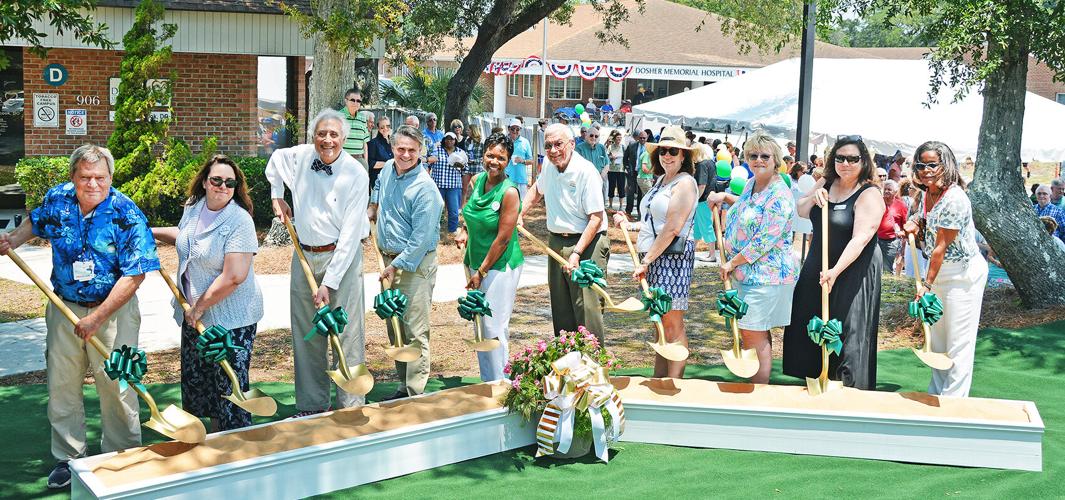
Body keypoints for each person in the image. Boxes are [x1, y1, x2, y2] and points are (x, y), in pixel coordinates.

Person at [0, 144, 159, 488]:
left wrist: (97, 318)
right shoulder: (58, 198)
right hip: (64, 307)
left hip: (113, 311)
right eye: (85, 177)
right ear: (73, 176)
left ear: (110, 177)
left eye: (100, 177)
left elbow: (136, 275)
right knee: (62, 384)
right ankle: (68, 458)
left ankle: (122, 457)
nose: (92, 184)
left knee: (117, 384)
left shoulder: (126, 213)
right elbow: (37, 221)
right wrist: (12, 239)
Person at [267, 109, 370, 417]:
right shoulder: (299, 157)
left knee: (346, 332)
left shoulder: (356, 174)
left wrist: (329, 283)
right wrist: (277, 195)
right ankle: (312, 405)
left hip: (343, 258)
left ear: (344, 138)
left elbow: (352, 236)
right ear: (313, 137)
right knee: (306, 332)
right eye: (321, 134)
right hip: (303, 256)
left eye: (334, 135)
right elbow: (274, 163)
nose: (327, 140)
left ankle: (350, 405)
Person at [151, 155, 262, 432]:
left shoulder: (240, 220)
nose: (222, 186)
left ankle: (235, 447)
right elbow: (185, 236)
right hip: (194, 314)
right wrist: (149, 232)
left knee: (228, 388)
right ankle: (213, 441)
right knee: (201, 385)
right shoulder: (194, 206)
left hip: (230, 320)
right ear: (204, 181)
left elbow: (234, 276)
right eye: (216, 180)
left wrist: (199, 308)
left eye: (230, 182)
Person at [783, 135, 886, 390]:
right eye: (840, 158)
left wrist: (835, 272)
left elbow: (861, 238)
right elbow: (801, 209)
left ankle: (847, 387)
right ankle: (814, 380)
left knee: (846, 330)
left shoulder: (869, 193)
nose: (846, 163)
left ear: (863, 162)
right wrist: (813, 197)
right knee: (809, 321)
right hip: (818, 263)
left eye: (853, 159)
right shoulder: (826, 181)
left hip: (852, 268)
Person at [706, 131, 798, 384]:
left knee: (753, 333)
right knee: (754, 332)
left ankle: (759, 392)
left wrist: (731, 262)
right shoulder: (751, 184)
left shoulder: (780, 194)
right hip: (746, 274)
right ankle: (757, 387)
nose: (758, 160)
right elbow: (750, 210)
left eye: (764, 156)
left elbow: (763, 240)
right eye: (753, 155)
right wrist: (725, 197)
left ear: (776, 159)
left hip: (766, 277)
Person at [902, 141, 988, 397]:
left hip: (963, 276)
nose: (926, 170)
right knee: (937, 340)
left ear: (945, 164)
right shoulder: (928, 192)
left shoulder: (955, 199)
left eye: (932, 164)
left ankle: (953, 403)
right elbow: (925, 215)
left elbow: (940, 248)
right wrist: (915, 221)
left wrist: (925, 286)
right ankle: (936, 394)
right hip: (939, 273)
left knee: (958, 342)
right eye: (921, 165)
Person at [613, 126, 698, 378]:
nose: (667, 156)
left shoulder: (685, 183)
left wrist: (647, 260)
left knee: (672, 325)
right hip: (653, 258)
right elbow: (654, 222)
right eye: (663, 151)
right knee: (659, 324)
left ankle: (674, 383)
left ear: (684, 155)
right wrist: (630, 224)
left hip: (672, 260)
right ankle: (659, 380)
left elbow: (673, 228)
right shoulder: (662, 181)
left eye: (674, 151)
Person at [369, 125, 444, 399]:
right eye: (401, 148)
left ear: (420, 151)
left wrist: (393, 266)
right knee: (395, 326)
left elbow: (420, 241)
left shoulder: (426, 190)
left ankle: (414, 392)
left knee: (414, 330)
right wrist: (372, 206)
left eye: (412, 150)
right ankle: (402, 386)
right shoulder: (388, 168)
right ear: (392, 147)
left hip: (414, 266)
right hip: (387, 262)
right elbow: (378, 186)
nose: (405, 154)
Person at [519, 124, 610, 341]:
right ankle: (568, 364)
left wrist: (577, 253)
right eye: (548, 145)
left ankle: (593, 366)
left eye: (558, 144)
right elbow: (536, 190)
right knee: (561, 308)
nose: (553, 150)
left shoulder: (586, 171)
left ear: (571, 144)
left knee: (587, 308)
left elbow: (596, 218)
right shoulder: (549, 166)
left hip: (588, 242)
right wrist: (520, 213)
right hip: (557, 241)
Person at [454, 132, 524, 381]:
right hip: (474, 261)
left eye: (501, 158)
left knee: (494, 327)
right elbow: (469, 212)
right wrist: (463, 230)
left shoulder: (510, 192)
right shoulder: (476, 181)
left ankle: (502, 384)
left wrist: (481, 272)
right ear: (483, 155)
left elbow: (503, 239)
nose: (494, 161)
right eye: (490, 155)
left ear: (509, 161)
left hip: (498, 266)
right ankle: (488, 382)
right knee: (480, 325)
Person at [427, 132, 464, 233]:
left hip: (454, 185)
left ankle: (452, 230)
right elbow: (429, 165)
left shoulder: (460, 152)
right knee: (435, 208)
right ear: (444, 140)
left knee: (454, 210)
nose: (449, 141)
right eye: (447, 139)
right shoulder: (437, 150)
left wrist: (461, 166)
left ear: (455, 140)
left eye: (452, 139)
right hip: (438, 184)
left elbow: (465, 168)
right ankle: (433, 229)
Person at [692, 145, 718, 262]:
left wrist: (695, 199)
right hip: (708, 198)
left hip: (703, 199)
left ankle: (712, 255)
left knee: (706, 226)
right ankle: (691, 251)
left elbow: (701, 185)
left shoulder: (702, 165)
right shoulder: (711, 163)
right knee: (698, 226)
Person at [877, 179, 908, 273]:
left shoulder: (901, 205)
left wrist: (901, 233)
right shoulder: (878, 202)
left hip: (891, 242)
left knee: (887, 268)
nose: (886, 191)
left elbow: (905, 225)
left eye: (889, 189)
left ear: (895, 192)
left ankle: (886, 286)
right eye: (885, 189)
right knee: (875, 266)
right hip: (876, 240)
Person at [575, 125, 610, 203]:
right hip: (585, 180)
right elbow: (576, 166)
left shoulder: (601, 147)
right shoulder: (579, 148)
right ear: (586, 135)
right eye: (591, 135)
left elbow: (607, 164)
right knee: (586, 202)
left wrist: (600, 177)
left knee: (600, 202)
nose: (594, 138)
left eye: (596, 136)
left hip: (601, 179)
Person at [340, 88, 370, 170]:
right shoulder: (338, 117)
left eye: (358, 101)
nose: (355, 103)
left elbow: (365, 143)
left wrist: (365, 161)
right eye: (352, 100)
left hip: (360, 161)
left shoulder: (362, 118)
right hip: (343, 160)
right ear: (346, 101)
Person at [505, 118, 533, 199]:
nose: (515, 131)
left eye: (517, 129)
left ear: (520, 130)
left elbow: (531, 161)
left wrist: (523, 161)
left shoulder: (525, 142)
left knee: (521, 205)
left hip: (521, 179)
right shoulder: (504, 141)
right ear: (508, 129)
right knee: (506, 204)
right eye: (512, 128)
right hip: (506, 178)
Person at [366, 115, 394, 193]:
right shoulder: (373, 143)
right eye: (382, 127)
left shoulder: (393, 143)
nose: (385, 129)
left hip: (392, 181)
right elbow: (371, 164)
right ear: (378, 128)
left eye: (387, 126)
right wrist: (389, 163)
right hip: (379, 182)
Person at [624, 129, 648, 215]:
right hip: (632, 172)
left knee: (641, 194)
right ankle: (628, 212)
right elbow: (625, 157)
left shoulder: (649, 148)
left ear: (647, 138)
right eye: (640, 138)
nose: (642, 139)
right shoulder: (632, 145)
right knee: (630, 192)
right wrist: (626, 167)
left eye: (644, 138)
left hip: (643, 174)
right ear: (638, 138)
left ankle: (639, 212)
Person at [463, 124, 485, 203]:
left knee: (477, 189)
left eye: (468, 130)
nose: (467, 131)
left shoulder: (481, 142)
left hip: (477, 168)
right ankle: (462, 207)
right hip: (468, 168)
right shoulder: (467, 141)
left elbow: (484, 157)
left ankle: (477, 206)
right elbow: (466, 152)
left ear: (473, 130)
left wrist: (474, 161)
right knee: (464, 187)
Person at [605, 129, 627, 211]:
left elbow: (626, 157)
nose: (619, 139)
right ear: (614, 139)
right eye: (617, 138)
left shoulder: (623, 147)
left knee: (621, 188)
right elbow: (606, 157)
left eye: (620, 138)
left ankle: (621, 206)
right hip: (612, 170)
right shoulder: (610, 147)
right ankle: (610, 205)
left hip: (621, 170)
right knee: (611, 187)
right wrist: (611, 157)